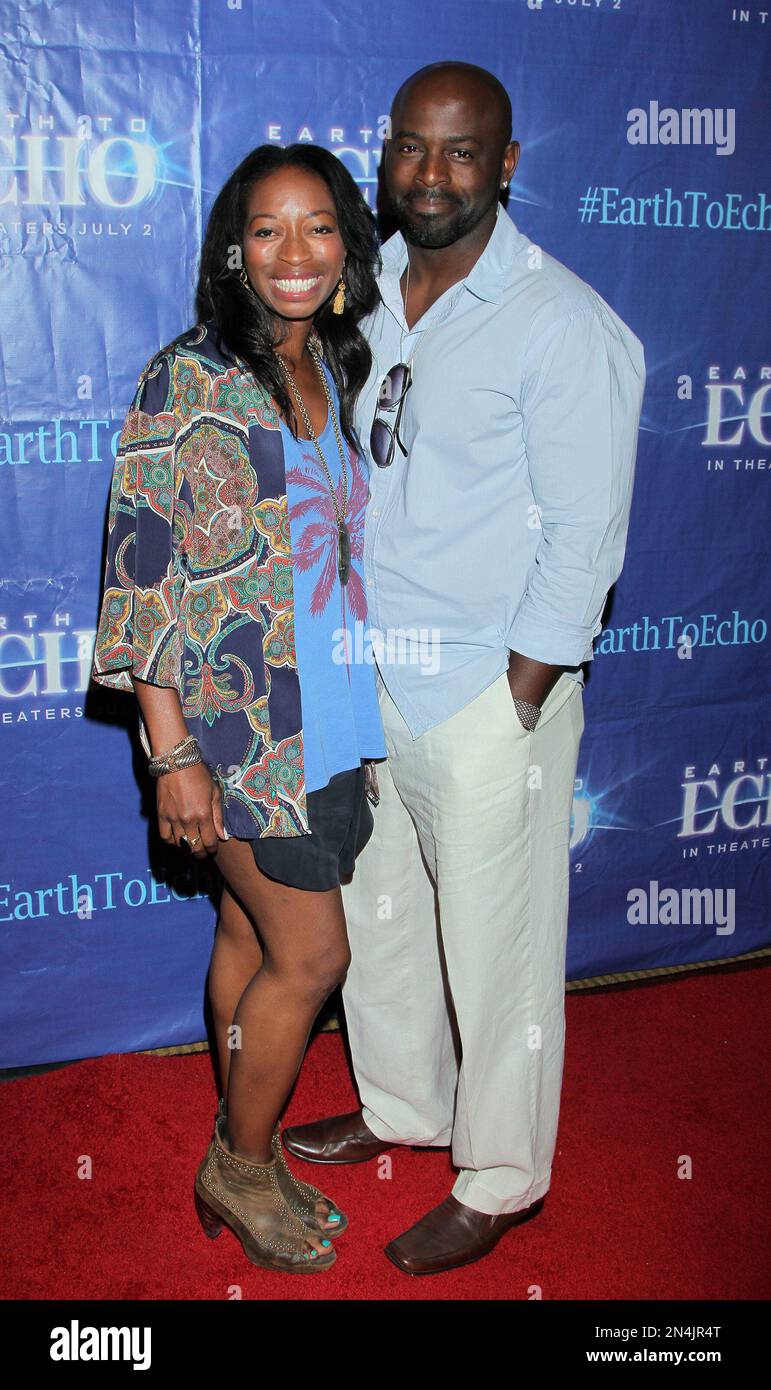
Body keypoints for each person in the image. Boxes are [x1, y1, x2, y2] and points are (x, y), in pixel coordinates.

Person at [283, 62, 646, 1275]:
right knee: (381, 923)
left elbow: (588, 539)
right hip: (371, 672)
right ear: (383, 155)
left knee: (497, 952)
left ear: (508, 163)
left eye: (459, 152)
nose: (430, 175)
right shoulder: (369, 282)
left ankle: (501, 1180)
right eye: (410, 150)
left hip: (492, 696)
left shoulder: (562, 322)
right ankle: (402, 1108)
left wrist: (520, 699)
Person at [90, 143, 387, 1274]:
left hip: (334, 713)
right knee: (312, 959)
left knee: (246, 932)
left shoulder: (333, 365)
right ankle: (242, 1162)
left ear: (347, 250)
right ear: (233, 249)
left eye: (319, 227)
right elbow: (141, 578)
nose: (296, 253)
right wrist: (173, 756)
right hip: (242, 731)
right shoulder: (189, 377)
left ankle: (243, 1124)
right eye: (268, 229)